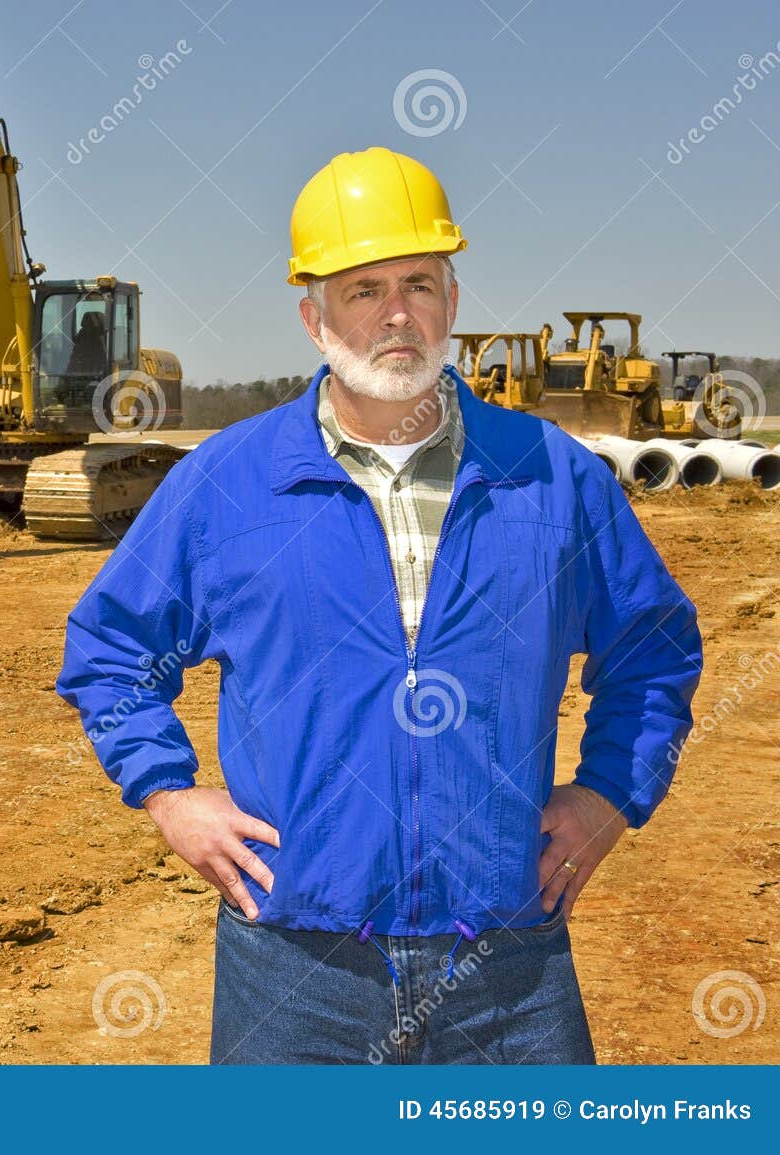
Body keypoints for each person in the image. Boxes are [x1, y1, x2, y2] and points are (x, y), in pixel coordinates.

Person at [55, 147, 702, 1064]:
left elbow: (656, 651)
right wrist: (167, 794)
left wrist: (608, 796)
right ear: (312, 316)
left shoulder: (548, 474)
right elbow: (109, 649)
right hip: (294, 965)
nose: (397, 313)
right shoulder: (230, 485)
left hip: (507, 967)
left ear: (452, 300)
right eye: (363, 290)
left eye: (419, 283)